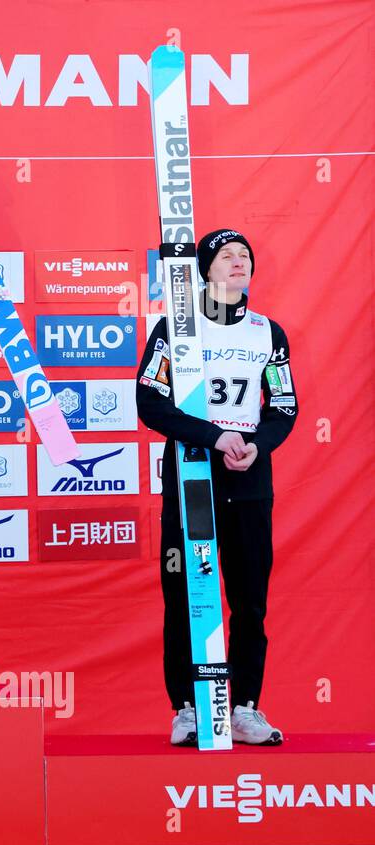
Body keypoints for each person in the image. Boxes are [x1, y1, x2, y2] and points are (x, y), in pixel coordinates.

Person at [136, 229, 297, 745]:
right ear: (204, 269)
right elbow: (151, 403)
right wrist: (213, 435)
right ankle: (187, 709)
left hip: (249, 479)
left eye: (245, 256)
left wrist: (258, 444)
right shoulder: (176, 330)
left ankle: (245, 707)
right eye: (226, 256)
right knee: (184, 596)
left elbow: (284, 406)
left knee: (250, 600)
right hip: (191, 474)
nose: (238, 263)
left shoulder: (267, 332)